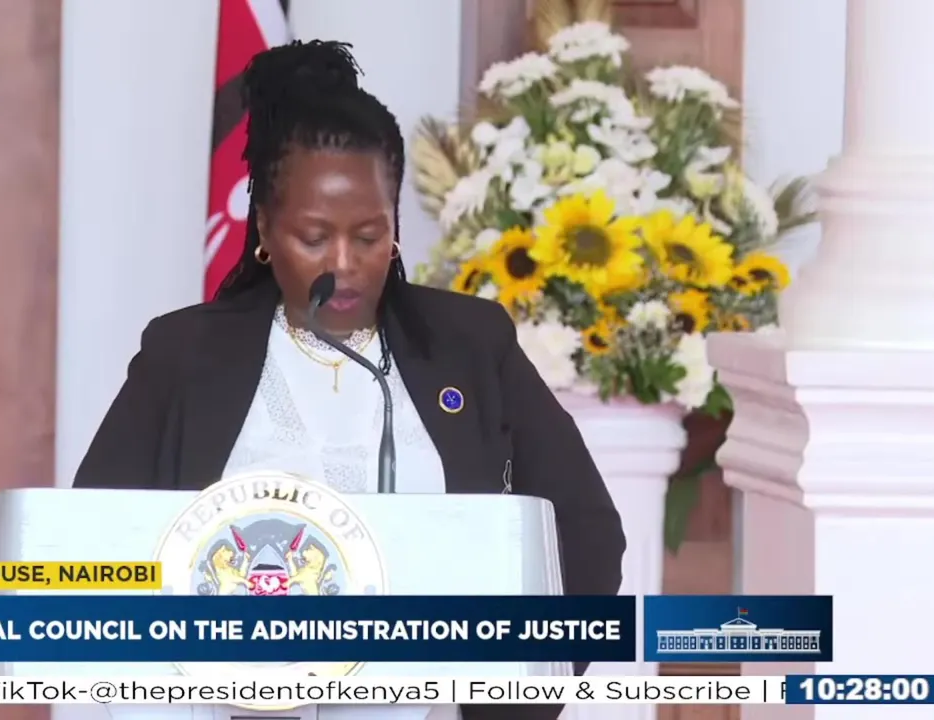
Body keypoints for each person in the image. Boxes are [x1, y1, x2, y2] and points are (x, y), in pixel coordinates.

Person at [74, 40, 625, 720]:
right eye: (313, 237)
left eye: (368, 236)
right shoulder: (185, 355)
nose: (343, 264)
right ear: (265, 230)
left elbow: (585, 531)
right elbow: (91, 544)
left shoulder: (470, 345)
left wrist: (507, 702)